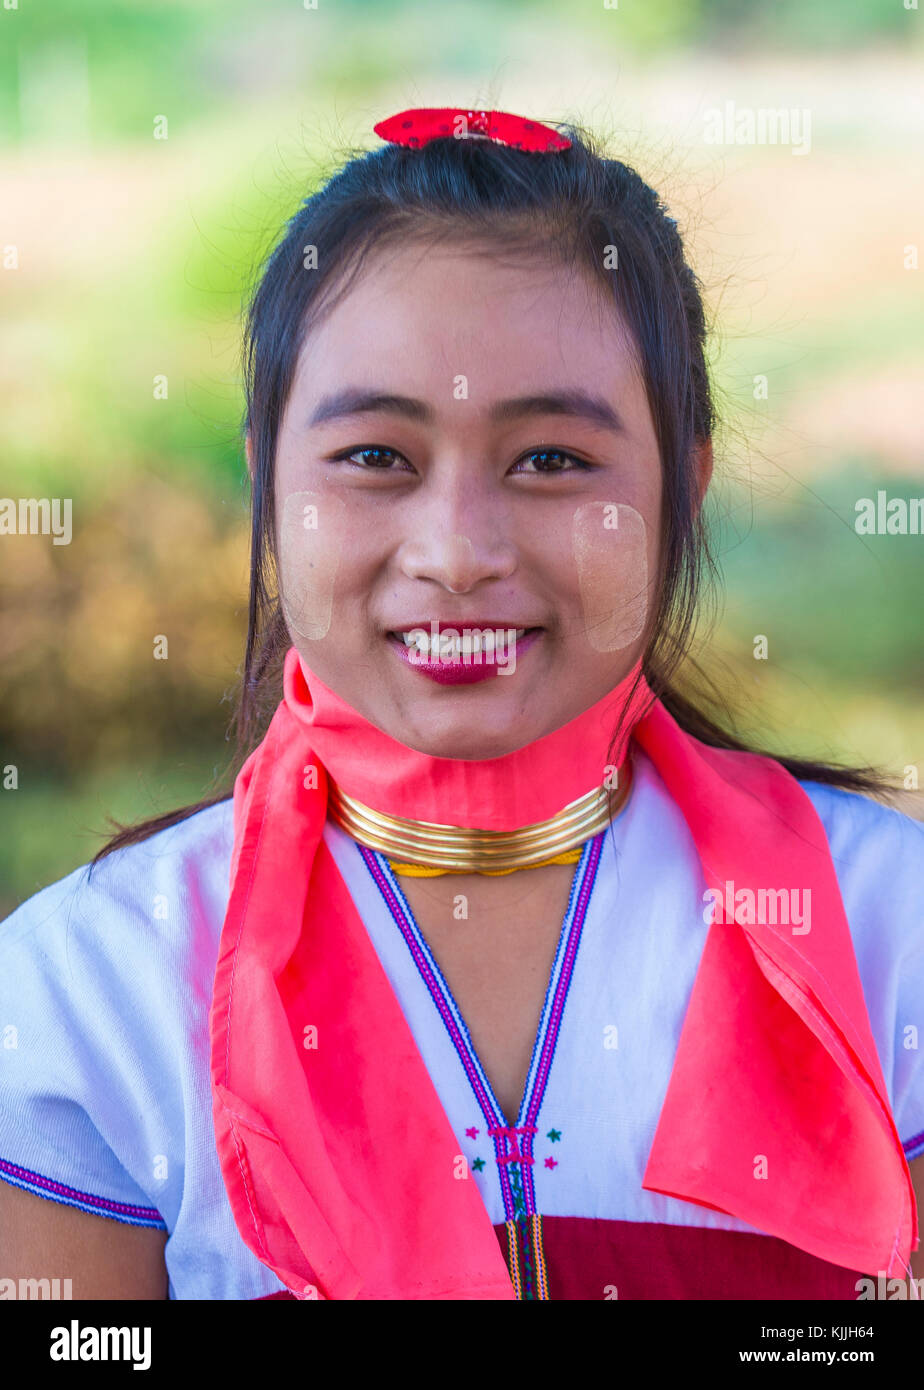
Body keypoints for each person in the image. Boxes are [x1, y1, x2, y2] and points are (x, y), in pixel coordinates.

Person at [1, 107, 922, 1302]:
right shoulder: (89, 988)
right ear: (269, 482)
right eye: (375, 457)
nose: (458, 552)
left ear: (682, 489)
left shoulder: (887, 928)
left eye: (552, 460)